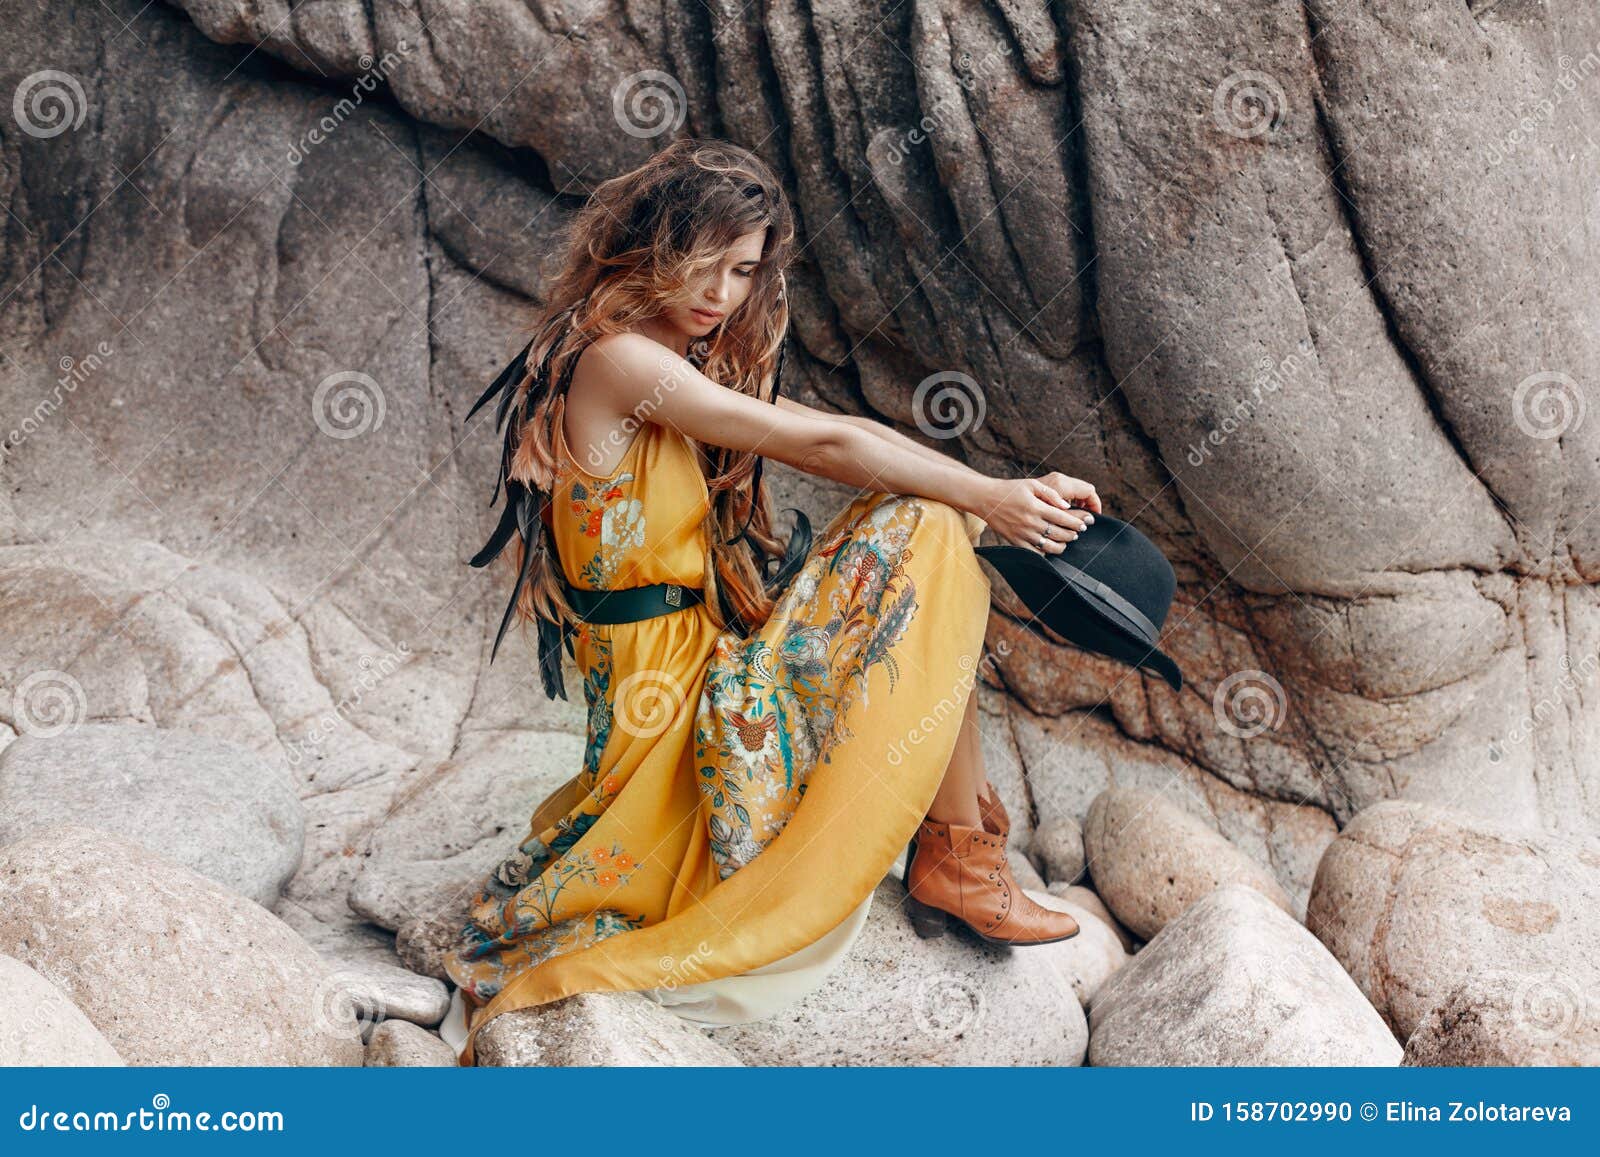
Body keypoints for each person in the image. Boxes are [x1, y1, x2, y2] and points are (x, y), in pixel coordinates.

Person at [441, 138, 1097, 1065]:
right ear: (650, 244)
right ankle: (956, 852)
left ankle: (957, 850)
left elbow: (828, 444)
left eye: (743, 270)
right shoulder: (619, 360)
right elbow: (822, 441)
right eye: (702, 259)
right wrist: (992, 491)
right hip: (668, 727)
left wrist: (982, 495)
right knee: (932, 524)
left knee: (929, 537)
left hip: (702, 675)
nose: (720, 290)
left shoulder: (658, 354)